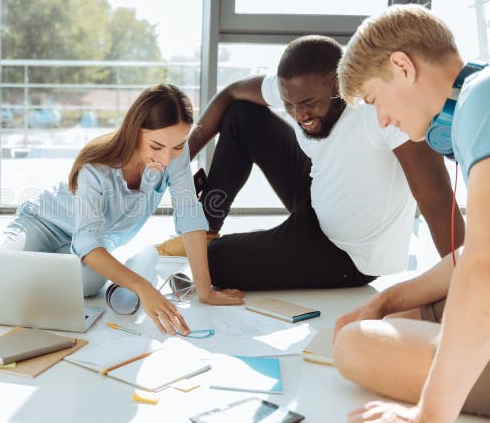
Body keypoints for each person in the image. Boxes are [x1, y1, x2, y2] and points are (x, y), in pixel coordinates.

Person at [156, 35, 461, 290]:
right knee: (241, 115)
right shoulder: (299, 88)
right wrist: (176, 161)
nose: (299, 114)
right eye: (290, 104)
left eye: (309, 104)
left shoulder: (383, 109)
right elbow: (231, 92)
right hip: (316, 197)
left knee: (211, 262)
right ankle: (206, 226)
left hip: (345, 254)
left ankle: (209, 247)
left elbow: (436, 199)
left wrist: (464, 284)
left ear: (340, 86)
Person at [0, 84, 245, 334]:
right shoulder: (96, 166)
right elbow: (88, 245)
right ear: (134, 130)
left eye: (177, 146)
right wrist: (143, 287)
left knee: (89, 284)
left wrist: (205, 291)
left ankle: (29, 272)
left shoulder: (175, 152)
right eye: (156, 147)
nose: (167, 158)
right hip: (44, 222)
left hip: (91, 241)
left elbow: (190, 215)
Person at [332, 3, 490, 423]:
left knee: (355, 345)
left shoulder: (481, 100)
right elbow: (473, 253)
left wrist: (427, 421)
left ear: (402, 66)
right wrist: (385, 300)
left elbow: (483, 266)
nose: (382, 120)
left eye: (375, 100)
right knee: (391, 316)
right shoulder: (478, 96)